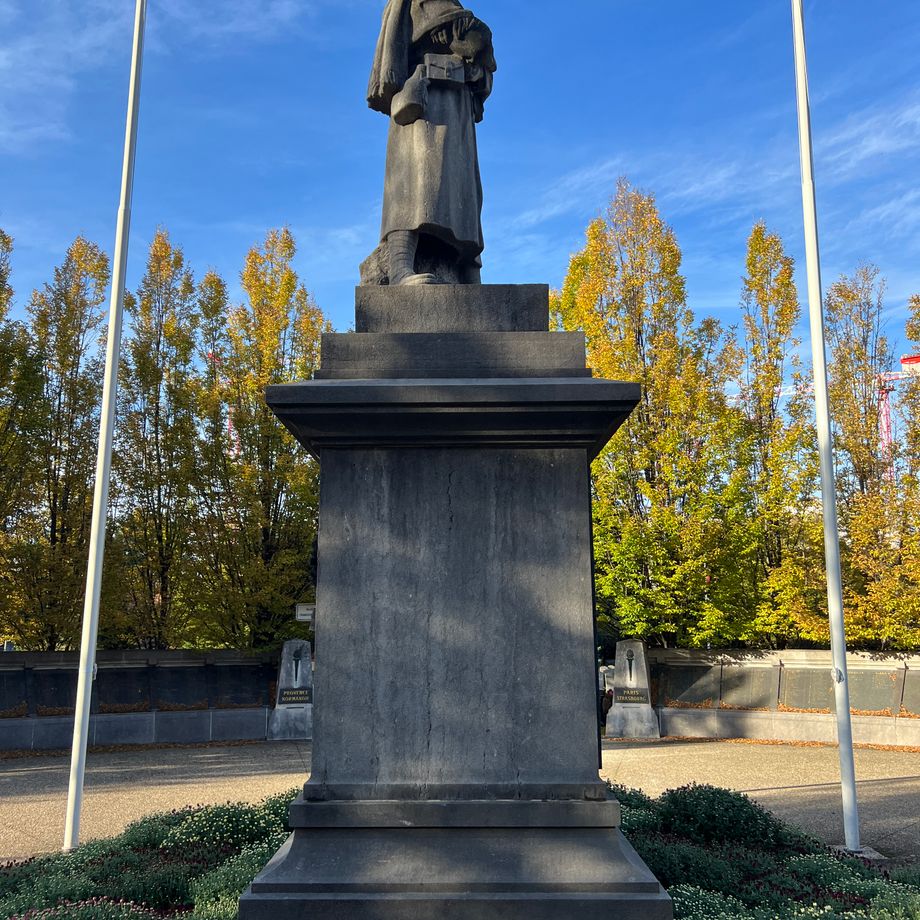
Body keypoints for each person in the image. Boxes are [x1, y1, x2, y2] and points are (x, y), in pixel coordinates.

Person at [366, 0, 497, 285]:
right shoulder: (405, 4)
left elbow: (484, 66)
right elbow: (392, 57)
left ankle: (467, 269)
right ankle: (401, 266)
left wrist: (474, 69)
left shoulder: (460, 12)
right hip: (422, 101)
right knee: (413, 187)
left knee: (464, 192)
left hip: (458, 107)